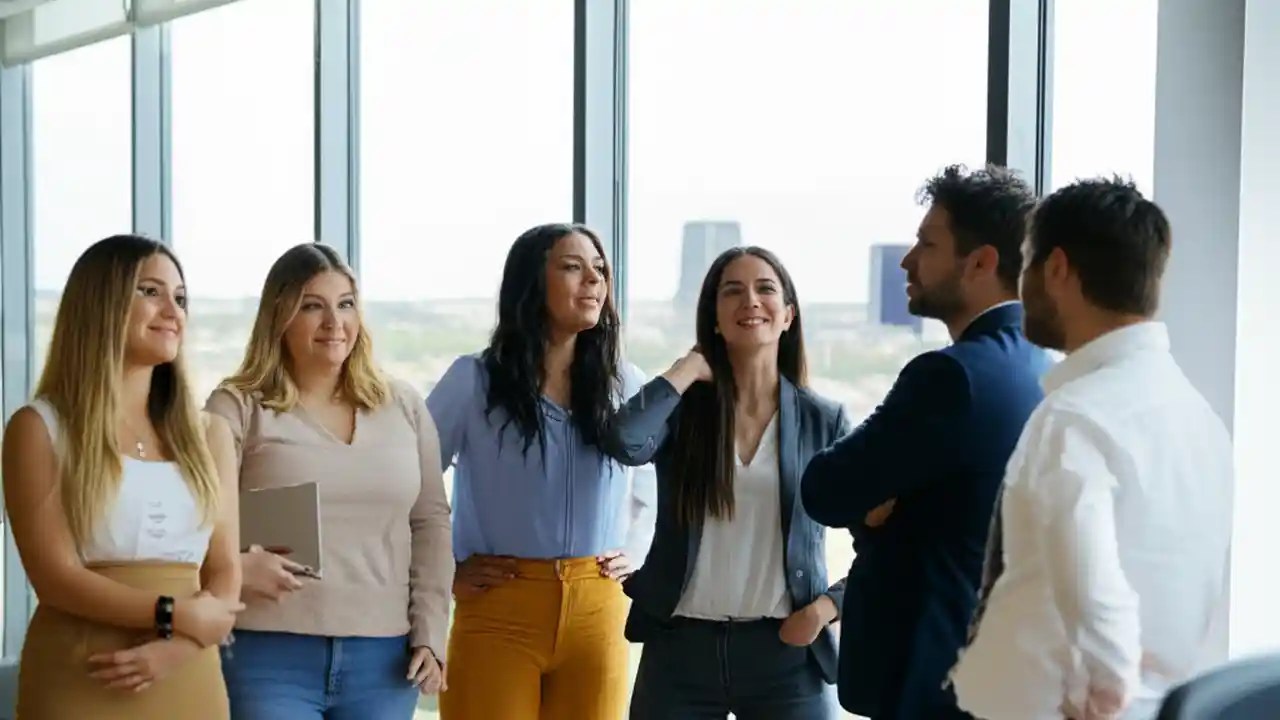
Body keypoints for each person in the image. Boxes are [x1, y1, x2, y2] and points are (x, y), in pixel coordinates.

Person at [950, 178, 1233, 720]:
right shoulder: (1199, 415)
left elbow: (1091, 578)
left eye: (1028, 262)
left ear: (1057, 268)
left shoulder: (1075, 417)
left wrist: (1108, 687)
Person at [801, 164, 1052, 718]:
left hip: (929, 677)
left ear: (980, 262)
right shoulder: (1041, 364)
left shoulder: (949, 377)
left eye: (927, 243)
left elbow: (824, 488)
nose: (907, 260)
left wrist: (872, 510)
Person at [204, 243, 452, 719]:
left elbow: (431, 523)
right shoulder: (237, 407)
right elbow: (196, 523)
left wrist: (430, 633)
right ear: (279, 317)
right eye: (312, 306)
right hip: (266, 654)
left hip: (386, 661)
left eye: (345, 304)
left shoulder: (403, 406)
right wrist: (235, 567)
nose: (334, 323)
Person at [2, 234, 243, 718]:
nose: (172, 311)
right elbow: (54, 578)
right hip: (84, 676)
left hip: (189, 679)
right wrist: (174, 613)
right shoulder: (38, 428)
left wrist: (176, 648)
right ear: (101, 304)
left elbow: (225, 571)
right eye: (150, 291)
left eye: (180, 298)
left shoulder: (210, 434)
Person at [604, 246, 848, 719]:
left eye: (765, 289)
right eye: (732, 291)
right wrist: (685, 370)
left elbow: (889, 534)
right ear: (714, 318)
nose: (750, 300)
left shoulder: (824, 421)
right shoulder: (683, 412)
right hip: (680, 651)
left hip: (785, 652)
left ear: (788, 315)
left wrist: (829, 607)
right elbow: (624, 441)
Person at [428, 223, 655, 720]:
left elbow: (650, 488)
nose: (593, 280)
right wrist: (446, 568)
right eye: (572, 267)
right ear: (532, 283)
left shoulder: (624, 384)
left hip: (599, 611)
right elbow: (411, 485)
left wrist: (635, 554)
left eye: (600, 269)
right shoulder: (474, 380)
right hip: (498, 609)